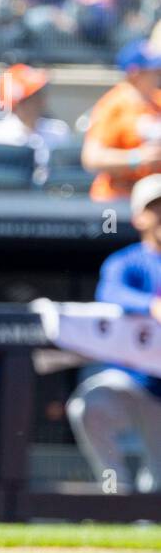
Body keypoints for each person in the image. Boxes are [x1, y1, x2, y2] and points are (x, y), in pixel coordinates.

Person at [65, 174, 161, 493]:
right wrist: (151, 305)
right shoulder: (127, 261)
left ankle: (147, 504)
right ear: (139, 216)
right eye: (155, 208)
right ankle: (116, 489)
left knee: (157, 486)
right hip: (133, 380)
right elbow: (110, 291)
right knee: (89, 404)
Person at [82, 41, 161, 202]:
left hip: (153, 198)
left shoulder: (157, 100)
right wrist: (136, 158)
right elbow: (92, 158)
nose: (158, 73)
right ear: (134, 73)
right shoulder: (112, 106)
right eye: (153, 70)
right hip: (116, 198)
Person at [0, 63, 69, 182]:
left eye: (40, 94)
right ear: (17, 103)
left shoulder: (58, 131)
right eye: (33, 96)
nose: (41, 100)